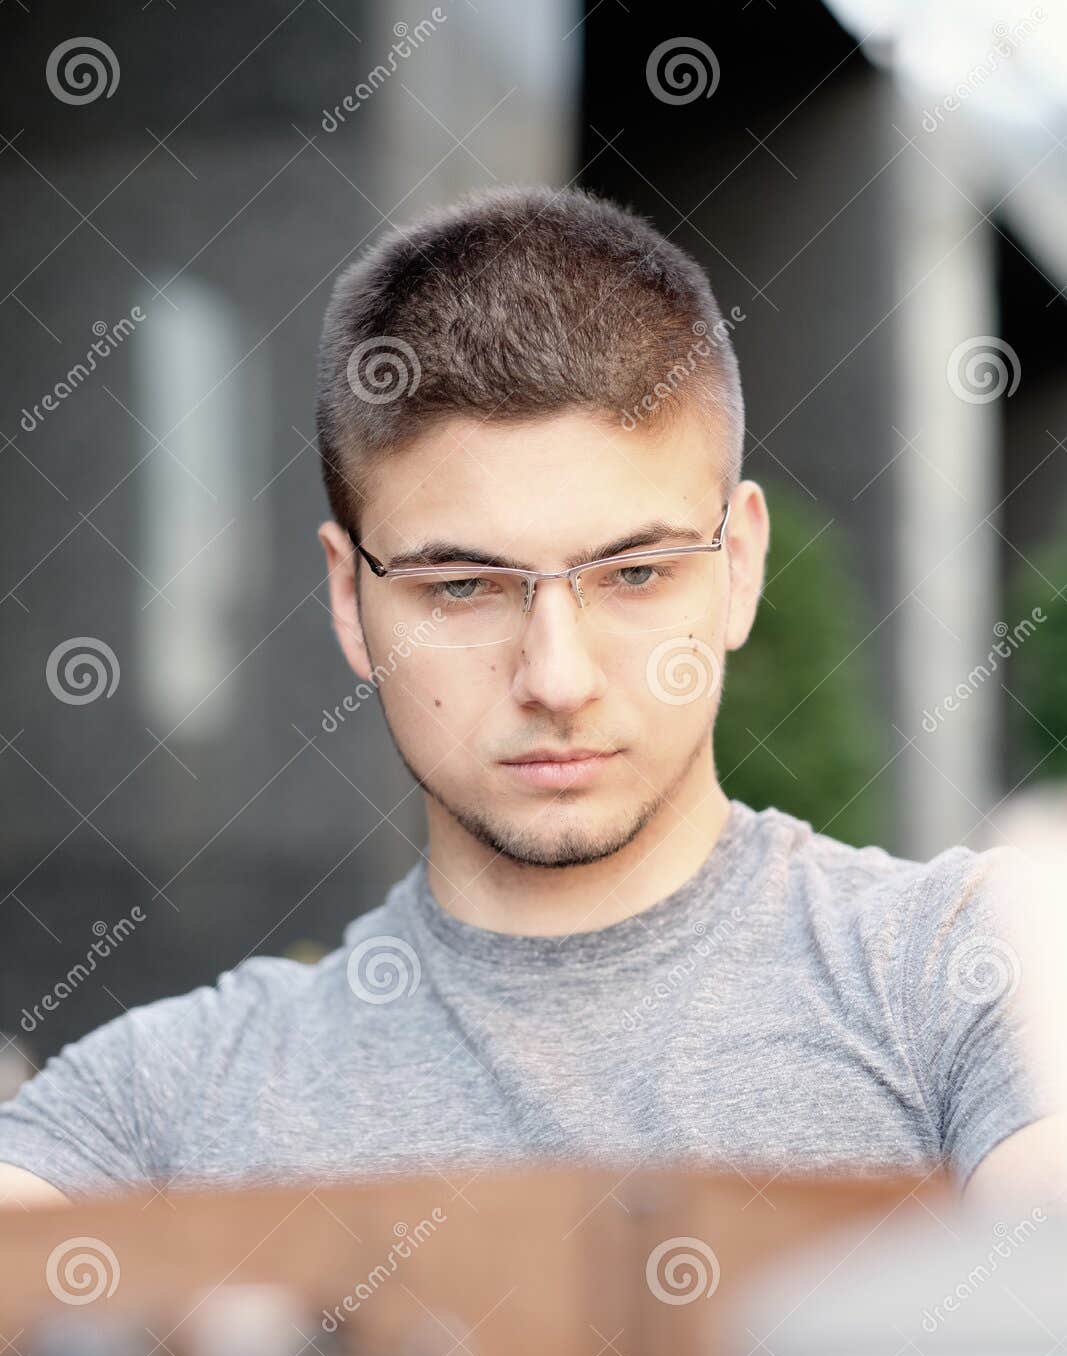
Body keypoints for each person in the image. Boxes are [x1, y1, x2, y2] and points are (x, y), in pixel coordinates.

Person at [1, 185, 1062, 1211]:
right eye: (461, 586)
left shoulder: (960, 979)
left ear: (737, 565)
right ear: (347, 597)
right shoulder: (159, 1104)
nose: (555, 678)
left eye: (635, 573)